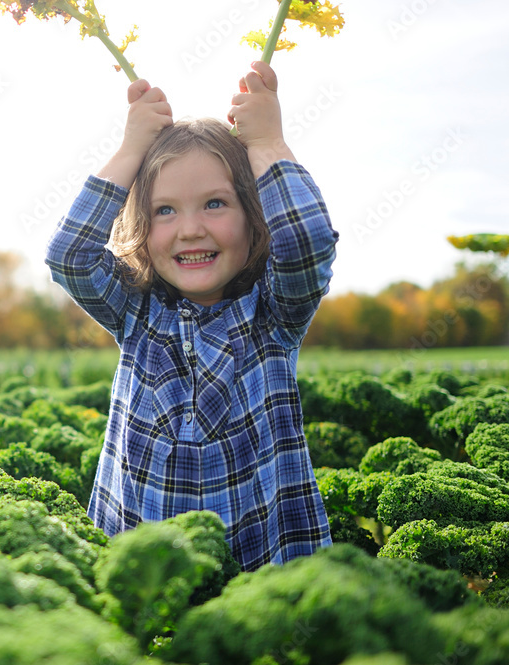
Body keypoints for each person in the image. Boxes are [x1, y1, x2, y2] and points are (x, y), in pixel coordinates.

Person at [45, 61, 337, 571]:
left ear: (254, 214)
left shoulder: (274, 315)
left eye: (216, 204)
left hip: (260, 569)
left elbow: (307, 241)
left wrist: (268, 143)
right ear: (142, 222)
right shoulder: (135, 310)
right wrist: (130, 150)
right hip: (141, 570)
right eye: (165, 210)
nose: (190, 230)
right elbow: (69, 254)